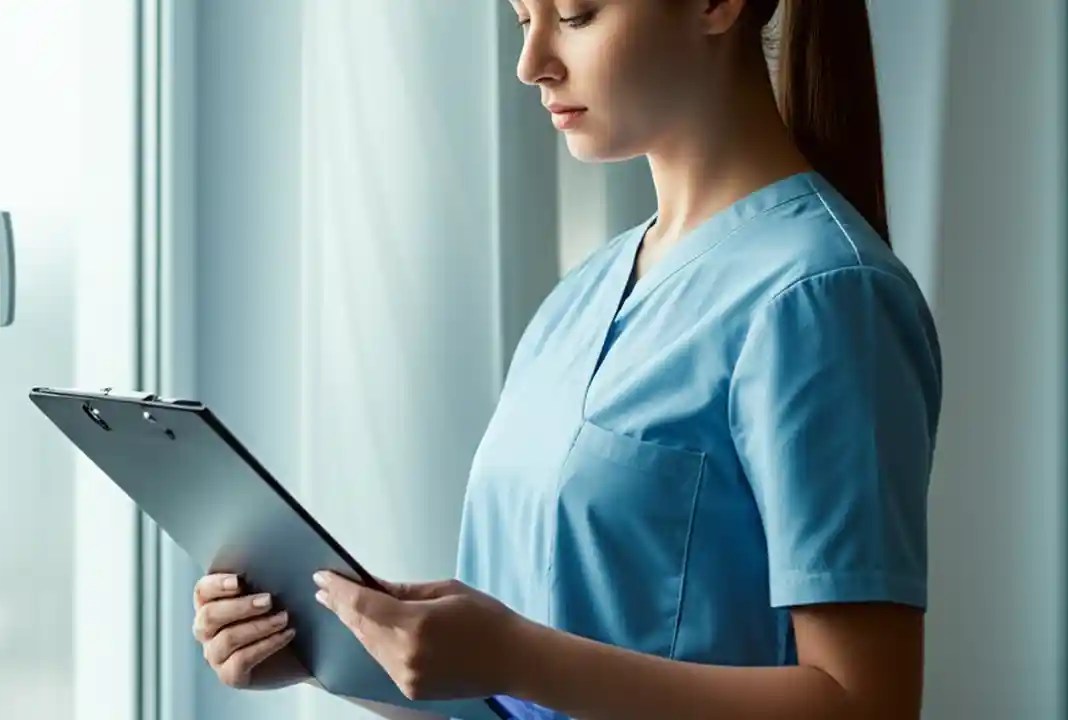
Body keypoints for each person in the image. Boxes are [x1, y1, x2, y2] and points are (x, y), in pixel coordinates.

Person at [191, 0, 942, 717]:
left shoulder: (823, 296)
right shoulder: (579, 299)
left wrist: (517, 657)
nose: (531, 63)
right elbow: (514, 697)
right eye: (523, 20)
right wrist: (329, 650)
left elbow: (865, 703)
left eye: (577, 16)